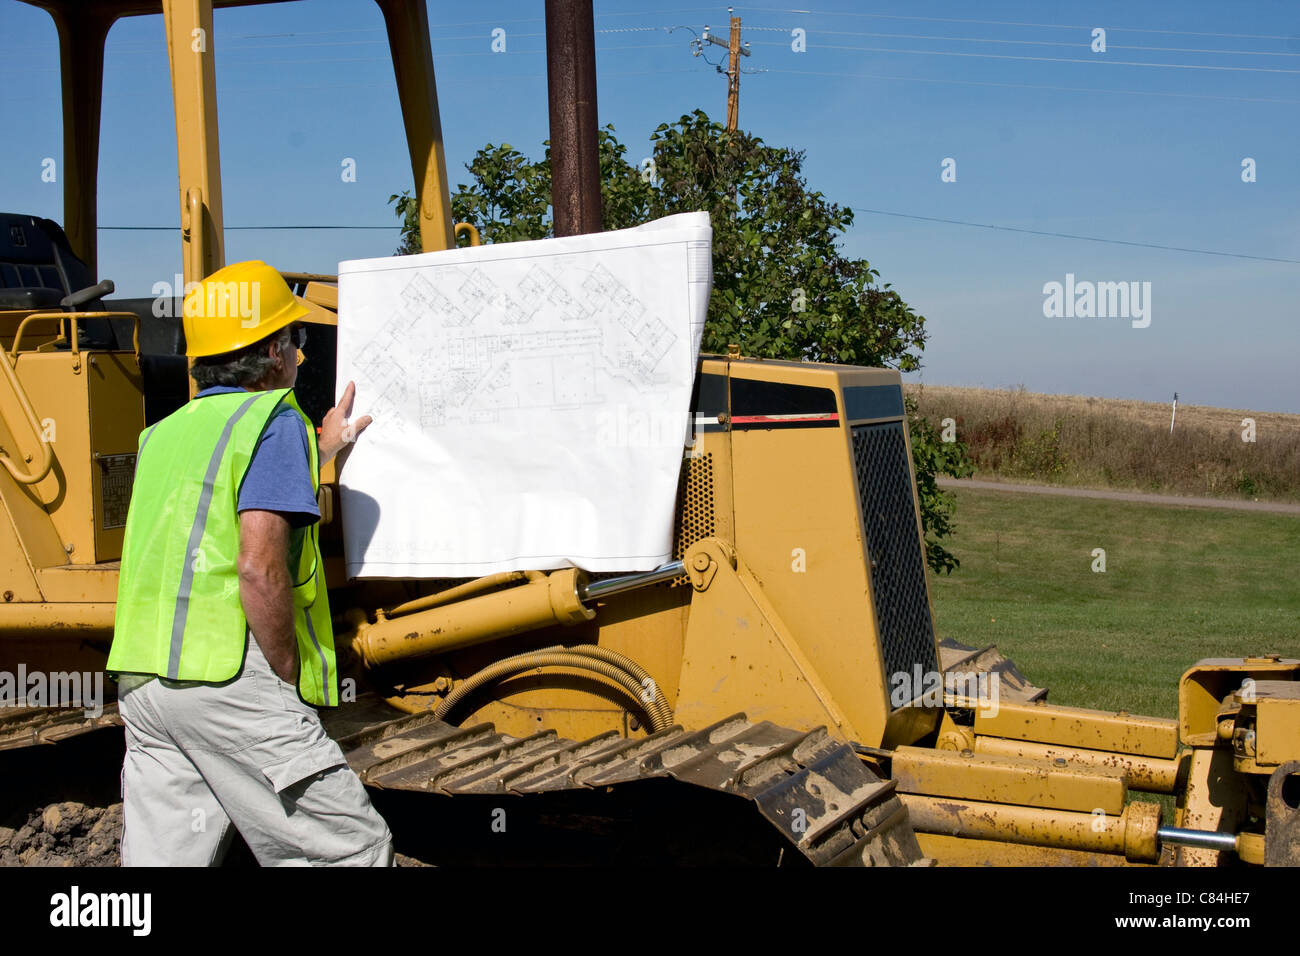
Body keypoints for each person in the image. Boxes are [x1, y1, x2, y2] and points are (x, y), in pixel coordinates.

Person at [108, 260, 393, 866]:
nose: (301, 356)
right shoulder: (274, 419)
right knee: (350, 851)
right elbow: (257, 565)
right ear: (270, 352)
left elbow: (215, 496)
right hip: (229, 679)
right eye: (294, 341)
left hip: (145, 682)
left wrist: (325, 446)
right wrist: (284, 671)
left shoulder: (163, 432)